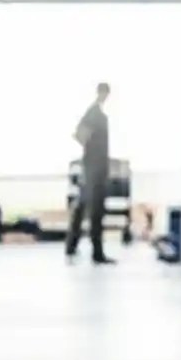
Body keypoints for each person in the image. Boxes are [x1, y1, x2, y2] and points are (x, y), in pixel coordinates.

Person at [66, 82, 115, 264]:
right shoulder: (94, 113)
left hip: (94, 166)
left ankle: (72, 245)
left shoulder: (97, 113)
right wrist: (91, 149)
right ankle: (97, 252)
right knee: (95, 211)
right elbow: (79, 134)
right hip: (95, 167)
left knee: (83, 207)